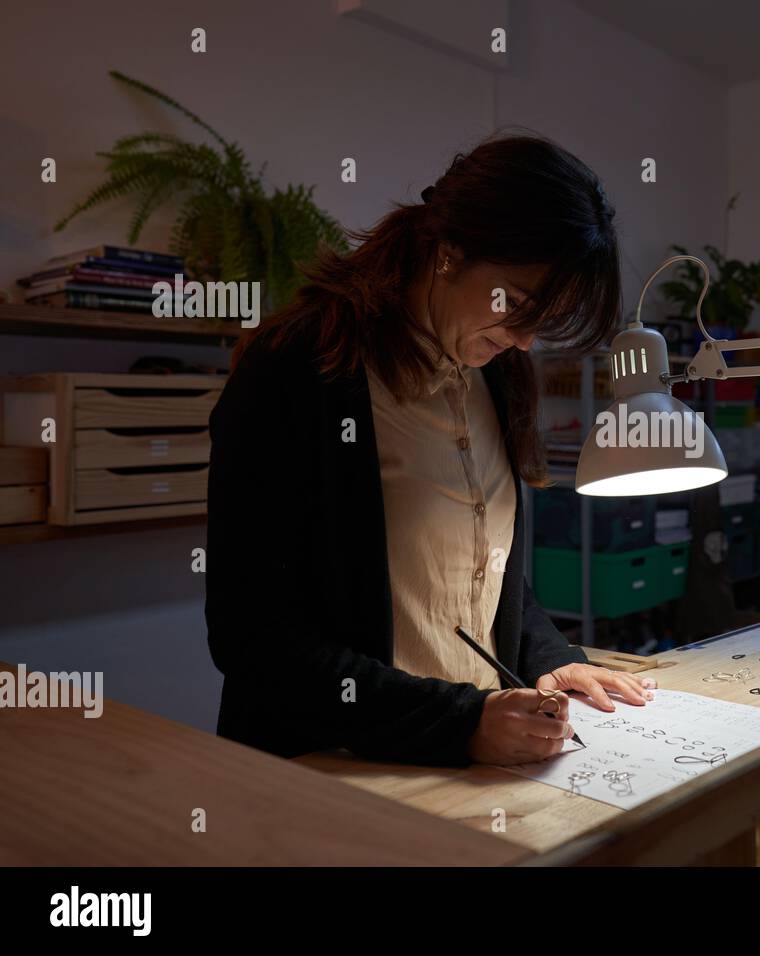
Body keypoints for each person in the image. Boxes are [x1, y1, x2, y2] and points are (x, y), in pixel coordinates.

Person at [205, 132, 655, 768]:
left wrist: (553, 662)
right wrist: (461, 721)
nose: (526, 341)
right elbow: (252, 637)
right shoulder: (299, 367)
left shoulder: (494, 369)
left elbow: (493, 580)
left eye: (542, 320)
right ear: (448, 253)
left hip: (471, 766)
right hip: (329, 768)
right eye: (518, 305)